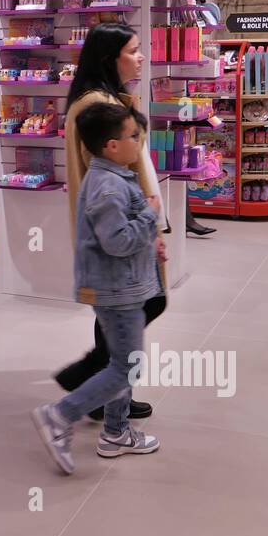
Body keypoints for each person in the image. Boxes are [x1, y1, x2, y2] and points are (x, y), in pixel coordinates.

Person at [32, 102, 161, 474]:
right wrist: (150, 215)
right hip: (117, 291)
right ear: (111, 145)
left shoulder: (116, 175)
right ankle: (59, 415)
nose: (138, 142)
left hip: (127, 288)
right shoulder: (107, 187)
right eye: (132, 136)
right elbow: (117, 242)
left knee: (121, 361)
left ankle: (117, 431)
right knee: (125, 368)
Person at [59, 23, 164, 420]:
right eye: (133, 50)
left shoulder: (105, 99)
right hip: (120, 231)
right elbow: (109, 177)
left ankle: (103, 388)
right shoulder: (96, 107)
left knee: (128, 310)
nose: (140, 57)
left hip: (130, 224)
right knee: (132, 307)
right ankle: (93, 385)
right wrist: (146, 226)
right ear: (110, 58)